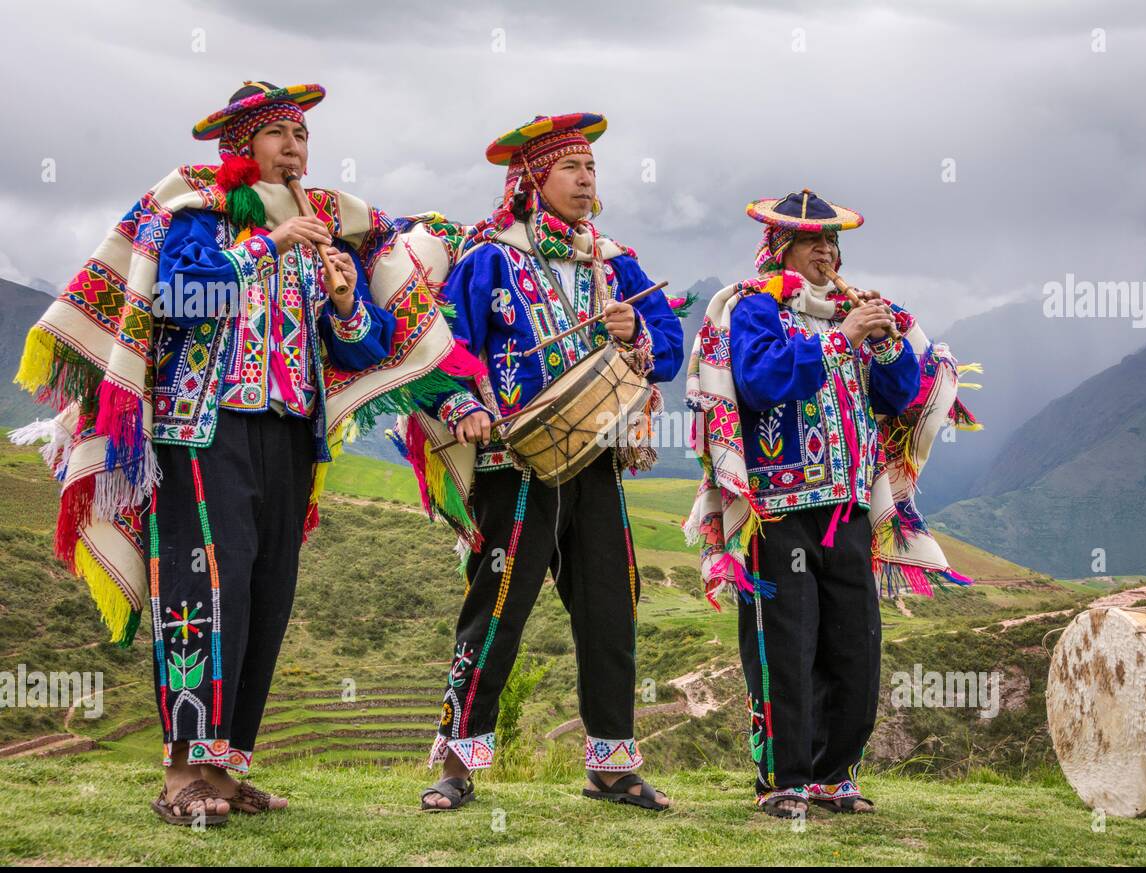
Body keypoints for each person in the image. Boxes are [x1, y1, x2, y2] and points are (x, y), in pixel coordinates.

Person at [13, 81, 478, 826]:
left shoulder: (318, 228)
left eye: (302, 136)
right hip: (203, 428)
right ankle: (178, 774)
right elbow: (176, 298)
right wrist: (265, 249)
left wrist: (344, 299)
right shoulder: (201, 213)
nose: (295, 149)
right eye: (279, 135)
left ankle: (227, 772)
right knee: (204, 593)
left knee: (266, 592)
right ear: (240, 146)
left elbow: (355, 349)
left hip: (290, 432)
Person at [404, 112, 683, 812]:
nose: (587, 180)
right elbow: (446, 347)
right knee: (497, 608)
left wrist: (636, 328)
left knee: (610, 610)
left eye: (592, 168)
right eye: (571, 168)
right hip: (514, 460)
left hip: (596, 459)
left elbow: (669, 346)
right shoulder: (491, 257)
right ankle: (458, 764)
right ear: (532, 178)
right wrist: (462, 405)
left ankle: (612, 766)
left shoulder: (613, 259)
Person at [684, 190, 975, 818]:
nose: (827, 252)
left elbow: (900, 399)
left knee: (854, 643)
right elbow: (761, 380)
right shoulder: (756, 307)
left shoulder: (852, 308)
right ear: (779, 248)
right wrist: (841, 339)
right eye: (813, 242)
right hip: (777, 511)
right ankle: (782, 779)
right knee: (784, 646)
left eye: (832, 242)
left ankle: (834, 775)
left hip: (848, 507)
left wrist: (889, 342)